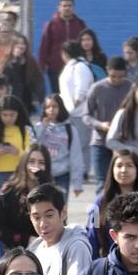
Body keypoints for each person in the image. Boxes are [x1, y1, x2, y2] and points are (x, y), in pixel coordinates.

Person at [27, 182, 95, 275]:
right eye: (37, 218)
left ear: (63, 213)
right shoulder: (34, 249)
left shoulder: (76, 247)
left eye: (49, 215)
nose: (43, 224)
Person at [0, 146, 52, 250]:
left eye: (41, 163)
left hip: (47, 251)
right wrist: (27, 239)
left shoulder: (52, 192)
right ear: (24, 163)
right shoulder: (9, 191)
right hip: (16, 253)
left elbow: (61, 225)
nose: (36, 166)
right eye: (31, 161)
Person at [0, 96, 34, 214]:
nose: (8, 118)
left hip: (20, 176)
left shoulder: (25, 130)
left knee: (21, 211)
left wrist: (17, 153)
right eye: (4, 115)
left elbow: (32, 155)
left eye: (12, 115)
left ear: (18, 114)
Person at [86, 149, 138, 254]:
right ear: (112, 170)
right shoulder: (98, 204)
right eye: (119, 166)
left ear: (137, 170)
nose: (123, 170)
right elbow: (92, 236)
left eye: (129, 165)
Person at [84, 57, 132, 186]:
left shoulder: (131, 88)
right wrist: (100, 125)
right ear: (107, 71)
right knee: (102, 182)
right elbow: (86, 116)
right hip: (100, 141)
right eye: (113, 76)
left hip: (123, 141)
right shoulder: (97, 88)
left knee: (122, 182)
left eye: (120, 76)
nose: (116, 80)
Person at [33, 92, 85, 198]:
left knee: (60, 207)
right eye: (48, 107)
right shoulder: (39, 127)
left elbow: (76, 156)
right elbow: (33, 147)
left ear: (60, 108)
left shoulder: (69, 128)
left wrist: (77, 183)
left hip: (62, 174)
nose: (51, 110)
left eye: (55, 106)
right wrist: (43, 128)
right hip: (42, 173)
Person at [58, 40, 95, 181]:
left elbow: (81, 91)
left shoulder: (80, 67)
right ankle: (77, 170)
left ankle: (83, 171)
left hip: (79, 113)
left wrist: (72, 107)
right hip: (71, 112)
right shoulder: (71, 66)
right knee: (75, 144)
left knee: (82, 144)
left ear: (65, 53)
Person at [37, 0, 87, 90]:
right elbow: (44, 47)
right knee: (58, 97)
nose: (67, 8)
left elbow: (85, 44)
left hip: (76, 68)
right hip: (56, 68)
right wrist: (41, 68)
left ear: (73, 7)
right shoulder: (51, 25)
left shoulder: (80, 24)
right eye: (64, 6)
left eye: (69, 5)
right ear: (59, 7)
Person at [2, 33, 45, 118]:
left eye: (23, 44)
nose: (21, 46)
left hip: (27, 98)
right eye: (18, 44)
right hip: (13, 98)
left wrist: (37, 97)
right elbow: (6, 80)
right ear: (13, 46)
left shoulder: (31, 61)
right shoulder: (8, 62)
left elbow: (38, 80)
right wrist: (15, 60)